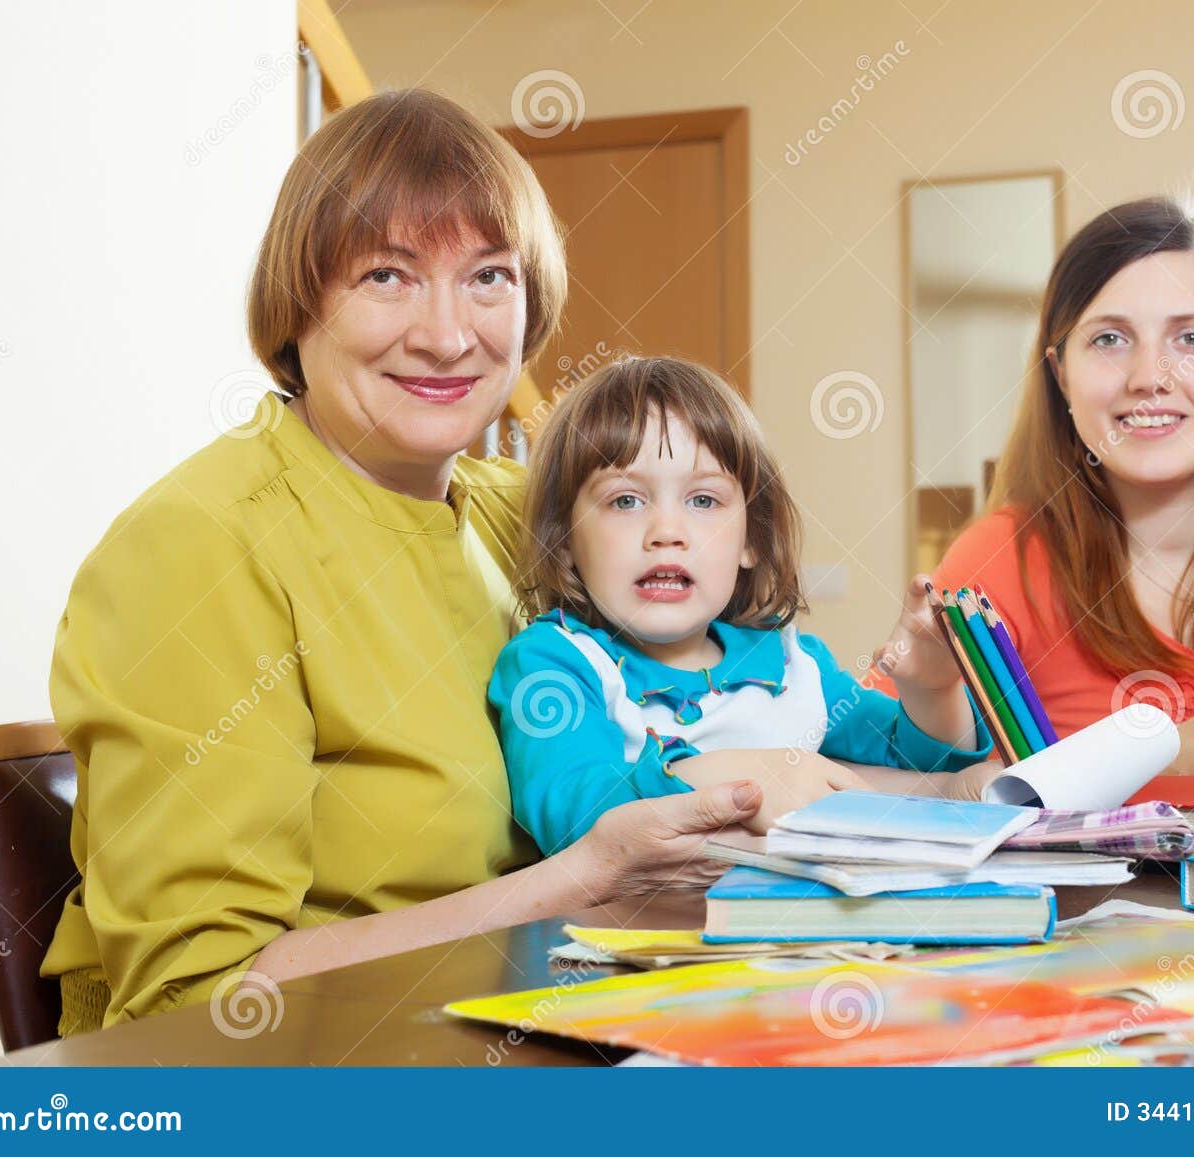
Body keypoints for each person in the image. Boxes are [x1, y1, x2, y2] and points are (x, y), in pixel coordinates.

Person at [39, 90, 765, 1035]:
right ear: (298, 303)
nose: (448, 334)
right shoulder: (198, 548)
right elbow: (199, 1004)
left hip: (535, 1023)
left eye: (489, 277)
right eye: (388, 276)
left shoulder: (528, 512)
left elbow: (728, 685)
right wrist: (580, 880)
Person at [896, 195, 1194, 775]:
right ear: (1060, 373)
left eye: (1191, 339)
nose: (1149, 379)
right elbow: (906, 786)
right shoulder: (998, 561)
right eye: (1109, 340)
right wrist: (1145, 768)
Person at [488, 356, 992, 855]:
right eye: (626, 501)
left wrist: (933, 691)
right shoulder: (553, 663)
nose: (667, 533)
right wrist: (739, 775)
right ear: (566, 541)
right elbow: (571, 815)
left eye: (703, 501)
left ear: (752, 539)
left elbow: (922, 767)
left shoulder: (797, 665)